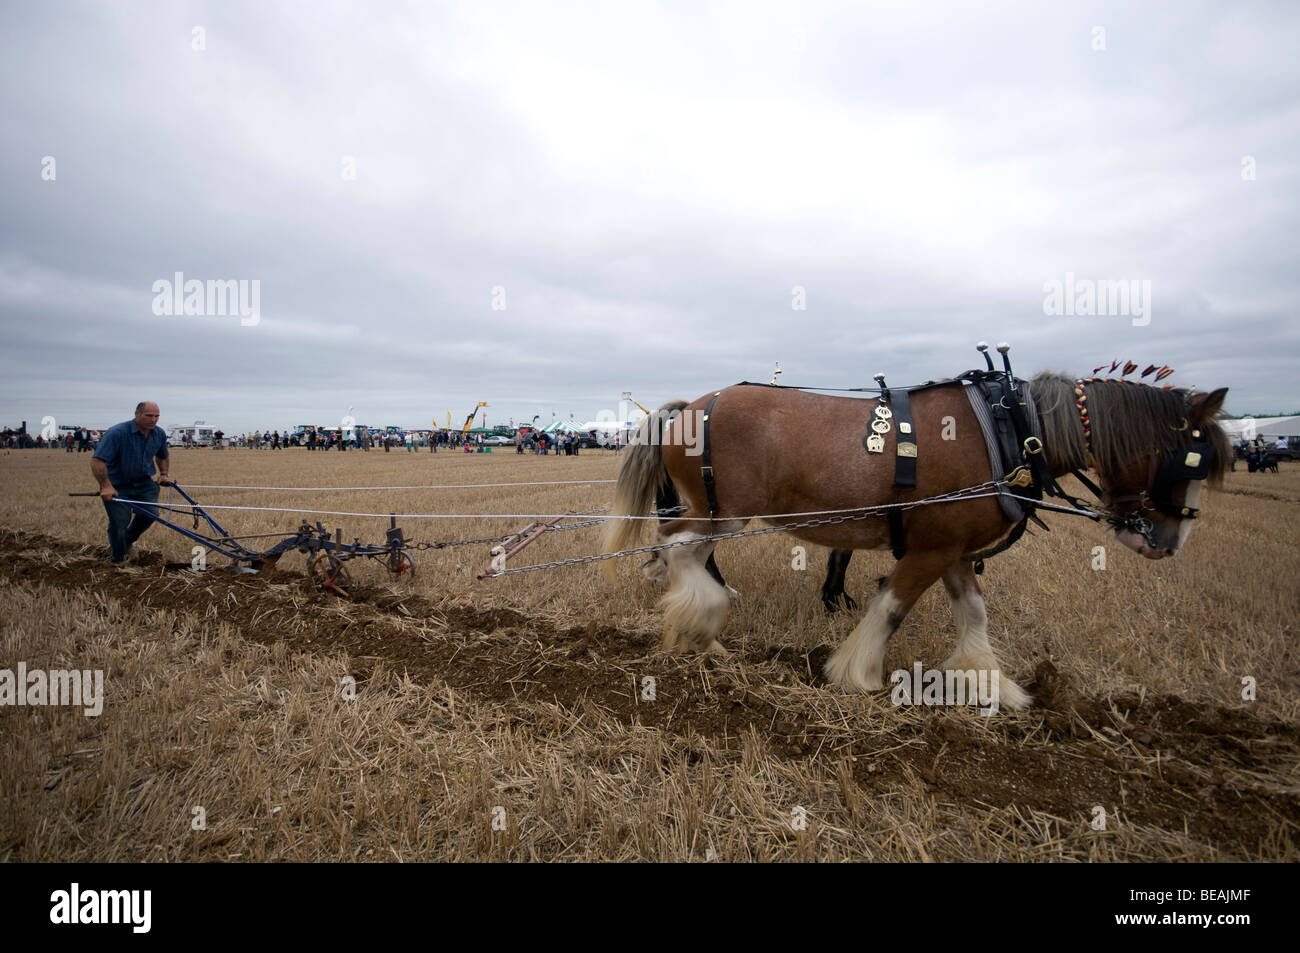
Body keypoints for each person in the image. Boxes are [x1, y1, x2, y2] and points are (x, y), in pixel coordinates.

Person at [91, 401, 171, 566]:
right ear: (137, 414)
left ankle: (125, 541)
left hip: (144, 483)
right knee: (120, 521)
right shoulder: (117, 433)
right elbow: (98, 460)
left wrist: (164, 474)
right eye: (149, 415)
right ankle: (118, 559)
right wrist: (106, 485)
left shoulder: (159, 434)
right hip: (118, 484)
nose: (153, 420)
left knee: (151, 513)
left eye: (157, 416)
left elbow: (162, 455)